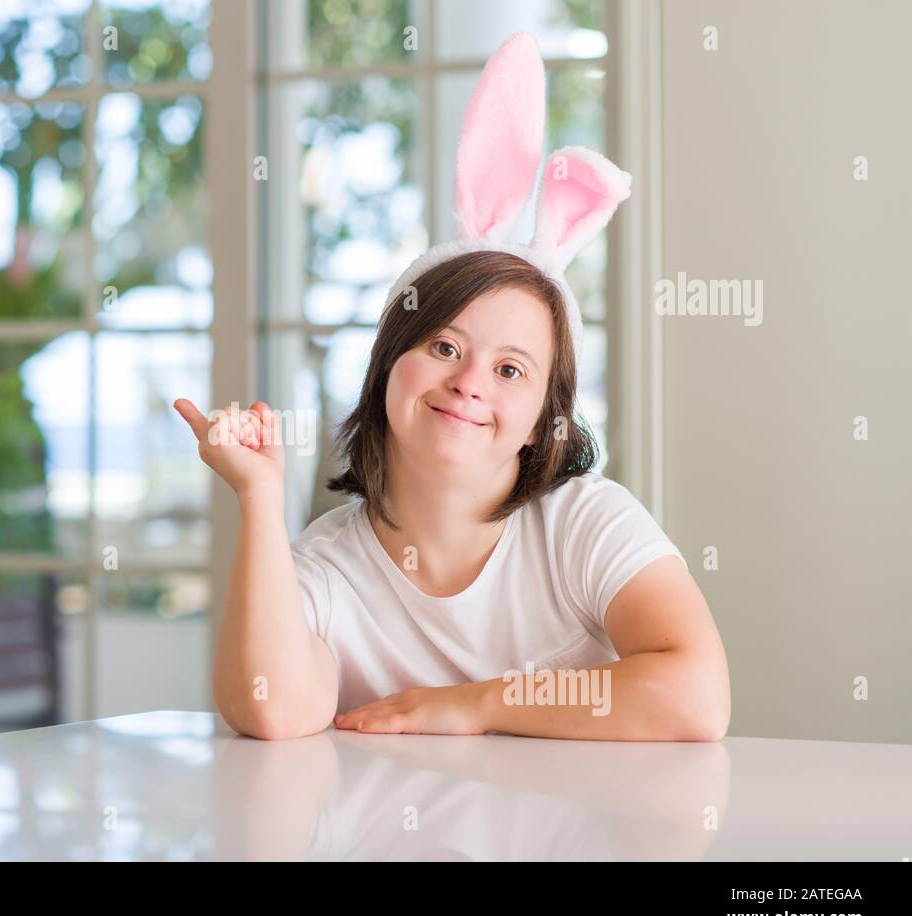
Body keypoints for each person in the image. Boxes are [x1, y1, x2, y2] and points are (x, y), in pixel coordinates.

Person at [173, 31, 729, 742]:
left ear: (540, 421)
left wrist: (471, 704)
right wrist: (259, 497)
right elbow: (270, 708)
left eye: (510, 370)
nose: (469, 383)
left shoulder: (586, 525)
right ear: (386, 369)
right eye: (443, 346)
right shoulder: (327, 562)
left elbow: (697, 698)